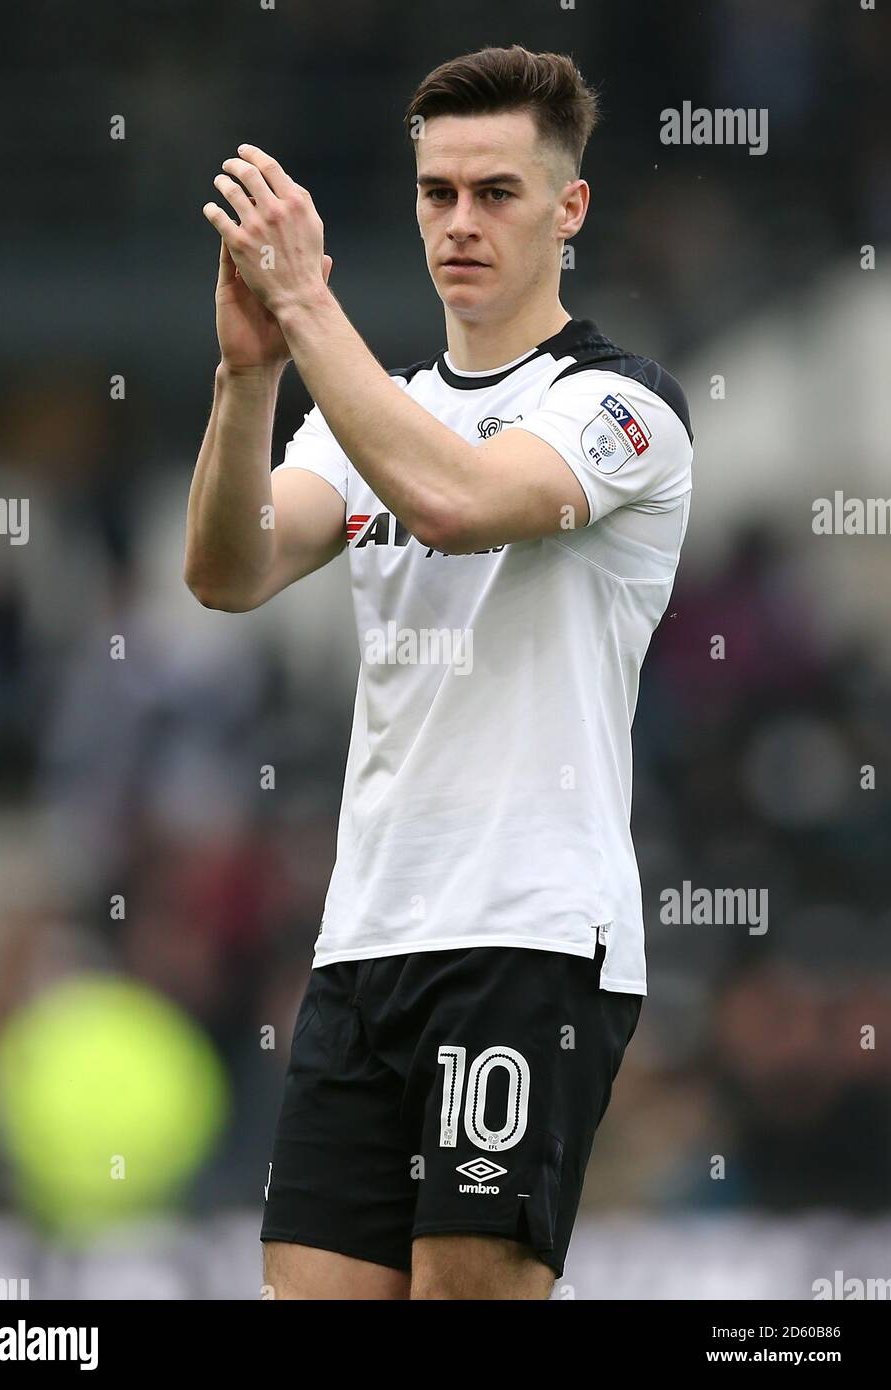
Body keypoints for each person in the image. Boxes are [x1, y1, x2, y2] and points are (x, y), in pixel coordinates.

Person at [186, 43, 693, 1300]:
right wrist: (249, 374)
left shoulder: (618, 407)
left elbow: (461, 500)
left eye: (496, 192)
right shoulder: (376, 409)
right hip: (367, 939)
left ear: (568, 208)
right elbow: (227, 570)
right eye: (435, 193)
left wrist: (307, 311)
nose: (458, 223)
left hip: (522, 933)